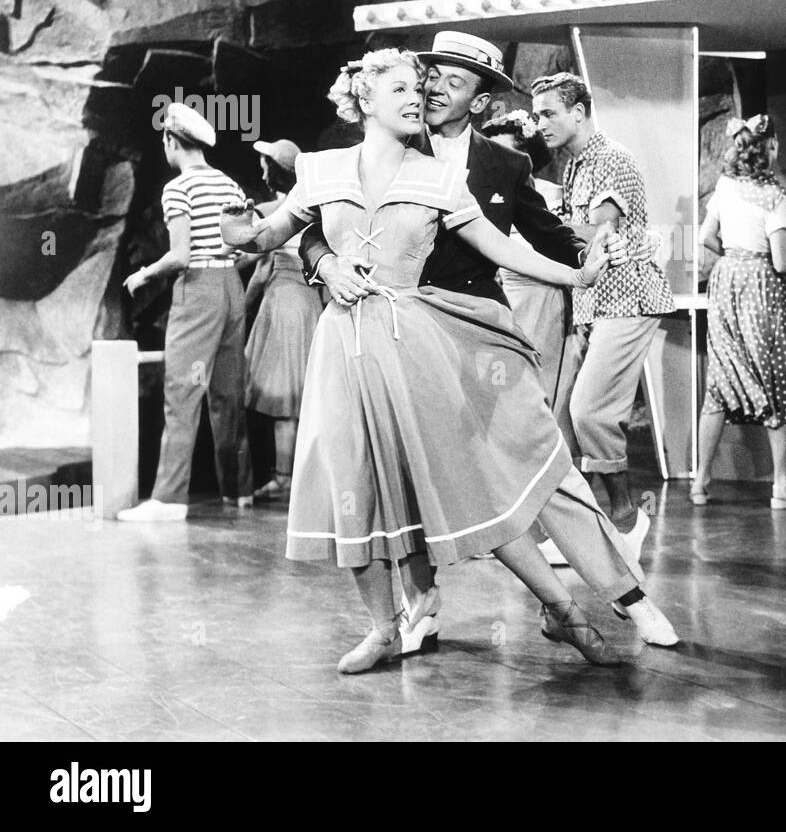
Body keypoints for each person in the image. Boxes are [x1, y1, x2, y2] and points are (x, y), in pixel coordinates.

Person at [229, 48, 675, 673]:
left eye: (433, 85)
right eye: (409, 86)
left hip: (452, 339)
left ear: (480, 97)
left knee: (494, 478)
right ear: (364, 98)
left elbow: (513, 244)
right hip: (348, 347)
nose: (423, 95)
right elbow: (277, 232)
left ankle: (589, 603)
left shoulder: (466, 171)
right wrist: (294, 248)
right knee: (360, 481)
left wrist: (580, 273)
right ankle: (393, 622)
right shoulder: (324, 167)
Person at [533, 72, 675, 551]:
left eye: (549, 113)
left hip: (628, 298)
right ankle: (579, 532)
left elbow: (598, 231)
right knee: (564, 421)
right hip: (595, 302)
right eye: (537, 115)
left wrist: (529, 228)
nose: (541, 124)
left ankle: (626, 520)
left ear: (578, 112)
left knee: (590, 411)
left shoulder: (611, 158)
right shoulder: (574, 165)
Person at [119, 104, 254, 521]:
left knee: (182, 394)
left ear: (172, 142)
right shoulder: (229, 184)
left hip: (197, 292)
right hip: (232, 288)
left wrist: (144, 273)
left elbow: (180, 256)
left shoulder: (178, 189)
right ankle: (239, 490)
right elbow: (245, 248)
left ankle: (169, 499)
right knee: (227, 396)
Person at [691, 114, 786, 508]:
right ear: (768, 148)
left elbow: (705, 237)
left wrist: (733, 257)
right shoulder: (773, 195)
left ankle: (700, 483)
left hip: (724, 282)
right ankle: (782, 487)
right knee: (774, 378)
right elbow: (784, 262)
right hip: (759, 285)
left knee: (720, 382)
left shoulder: (724, 185)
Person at [243, 138, 323, 500]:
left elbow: (261, 270)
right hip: (309, 304)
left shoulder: (270, 212)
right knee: (302, 398)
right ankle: (303, 477)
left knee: (283, 401)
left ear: (272, 170)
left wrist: (240, 310)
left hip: (283, 303)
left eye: (265, 163)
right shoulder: (315, 212)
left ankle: (283, 476)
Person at [480, 109, 568, 407]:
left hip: (544, 305)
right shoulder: (481, 198)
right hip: (500, 305)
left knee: (537, 393)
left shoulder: (554, 196)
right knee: (498, 395)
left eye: (502, 152)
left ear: (525, 159)